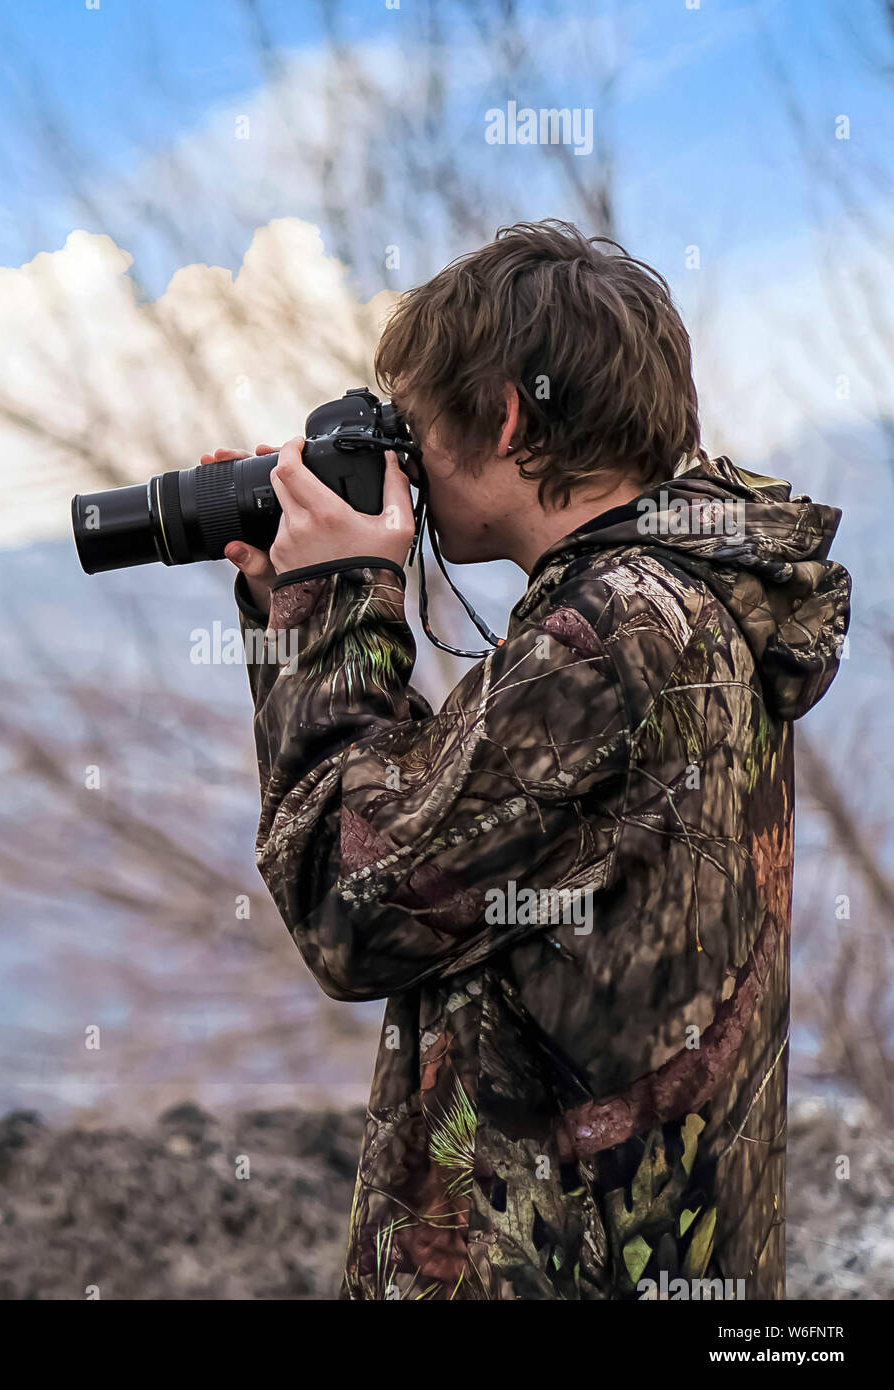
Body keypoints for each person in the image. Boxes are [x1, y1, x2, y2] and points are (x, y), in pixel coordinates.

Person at [203, 220, 850, 1300]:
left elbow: (350, 902)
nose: (398, 463)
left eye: (410, 427)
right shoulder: (681, 599)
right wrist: (290, 607)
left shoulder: (611, 632)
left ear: (504, 412)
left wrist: (338, 603)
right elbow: (431, 816)